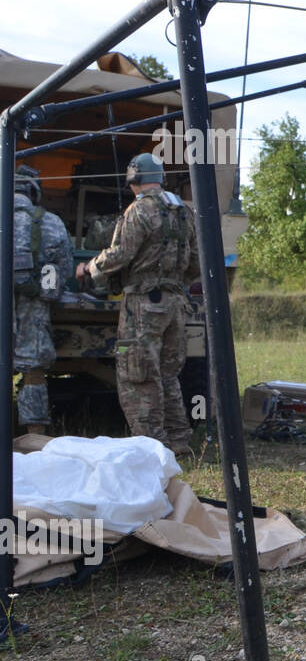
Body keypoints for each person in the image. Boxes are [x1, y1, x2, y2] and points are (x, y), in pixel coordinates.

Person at [76, 153, 199, 454]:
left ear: (134, 179)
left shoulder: (139, 210)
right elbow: (196, 261)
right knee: (168, 375)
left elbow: (120, 254)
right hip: (175, 303)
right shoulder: (185, 211)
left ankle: (151, 447)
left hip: (144, 304)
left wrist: (89, 268)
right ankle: (179, 440)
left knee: (138, 374)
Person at [12, 165, 75, 436]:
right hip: (34, 305)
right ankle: (34, 435)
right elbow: (66, 269)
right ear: (34, 192)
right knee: (33, 369)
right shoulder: (50, 221)